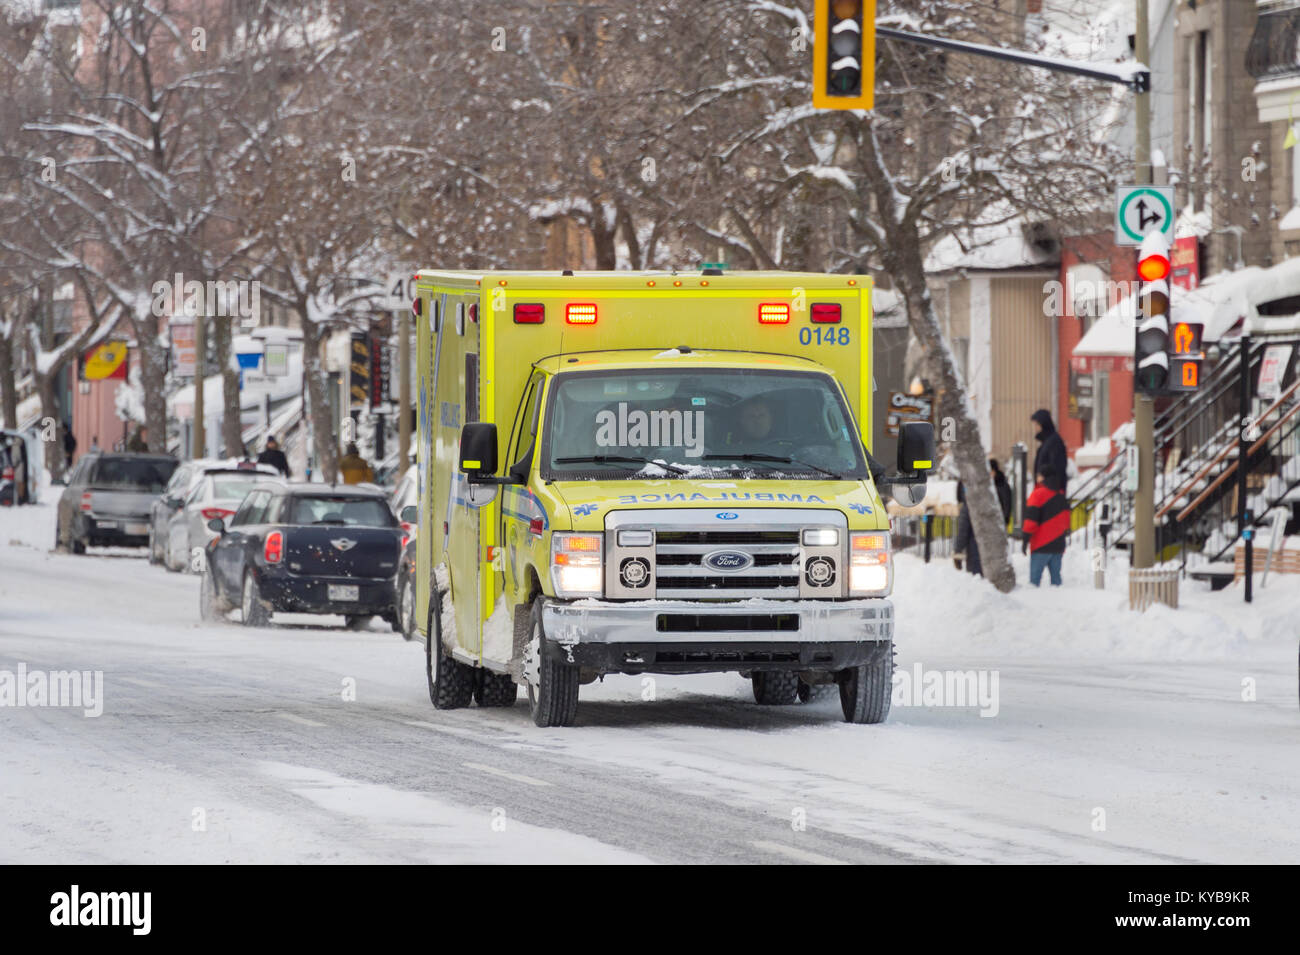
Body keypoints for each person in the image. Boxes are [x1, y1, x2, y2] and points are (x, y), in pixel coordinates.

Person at [1022, 464, 1068, 587]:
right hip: (1058, 545)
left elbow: (1031, 520)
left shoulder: (1037, 495)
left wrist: (1025, 538)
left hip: (1040, 545)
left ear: (1043, 477)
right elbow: (1066, 522)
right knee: (1056, 582)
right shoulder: (1061, 496)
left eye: (1038, 475)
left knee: (1034, 582)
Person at [1030, 409, 1068, 494]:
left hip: (1051, 491)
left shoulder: (1054, 442)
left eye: (1037, 425)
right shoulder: (1046, 442)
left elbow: (1057, 466)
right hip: (1045, 489)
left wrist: (1043, 475)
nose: (1035, 428)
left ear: (1043, 424)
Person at [952, 481, 982, 577]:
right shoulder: (986, 503)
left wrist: (957, 552)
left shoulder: (967, 507)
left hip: (975, 556)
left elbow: (963, 531)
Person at [989, 457, 1013, 526]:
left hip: (999, 519)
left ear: (994, 471)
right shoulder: (990, 483)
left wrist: (1006, 518)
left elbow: (1006, 502)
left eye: (991, 471)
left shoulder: (1001, 483)